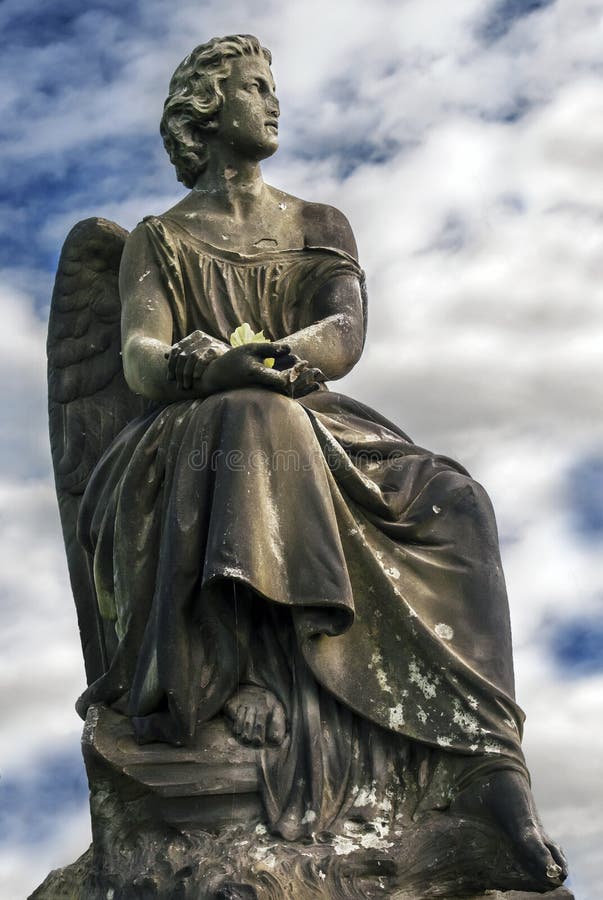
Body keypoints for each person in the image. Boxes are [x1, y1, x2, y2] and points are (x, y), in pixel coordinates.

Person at [75, 34, 566, 888]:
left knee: (454, 499)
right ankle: (242, 684)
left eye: (271, 88)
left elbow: (343, 333)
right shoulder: (159, 239)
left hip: (306, 405)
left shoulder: (316, 224)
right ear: (205, 109)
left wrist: (274, 356)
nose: (272, 103)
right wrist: (208, 368)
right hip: (190, 435)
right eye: (255, 88)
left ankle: (486, 766)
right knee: (251, 423)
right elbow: (140, 358)